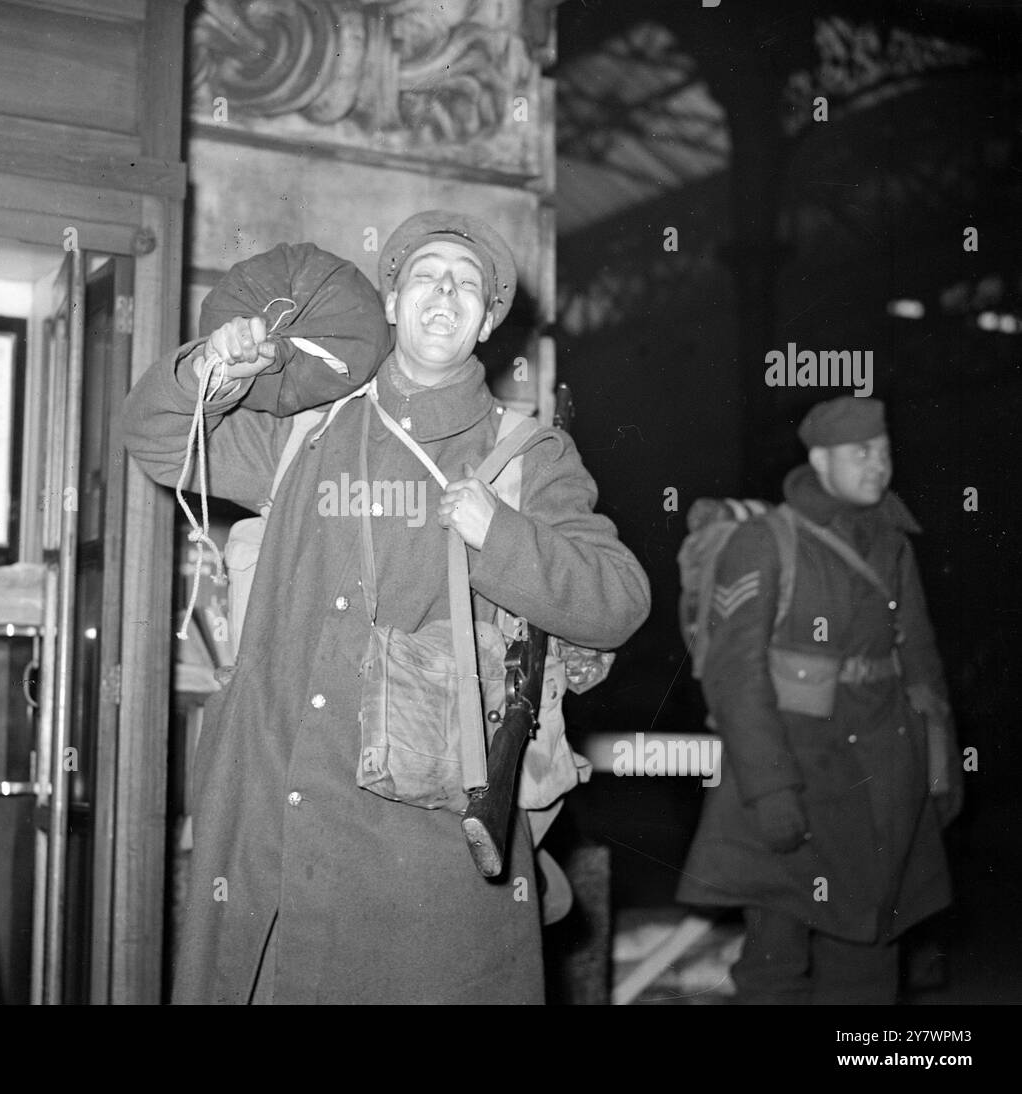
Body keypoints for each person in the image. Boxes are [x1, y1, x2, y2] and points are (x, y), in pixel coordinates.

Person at [121, 211, 651, 1003]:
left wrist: (498, 535)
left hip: (423, 847)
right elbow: (159, 442)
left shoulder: (527, 456)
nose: (446, 291)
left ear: (486, 323)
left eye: (468, 285)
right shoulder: (307, 426)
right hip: (277, 818)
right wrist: (213, 370)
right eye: (427, 275)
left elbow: (619, 600)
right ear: (393, 302)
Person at [678, 395, 960, 1004]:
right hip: (794, 771)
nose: (878, 464)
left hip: (880, 778)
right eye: (861, 452)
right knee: (776, 962)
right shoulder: (765, 540)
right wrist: (770, 790)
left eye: (883, 451)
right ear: (820, 459)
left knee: (868, 957)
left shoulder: (891, 540)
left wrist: (941, 764)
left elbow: (921, 666)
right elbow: (736, 676)